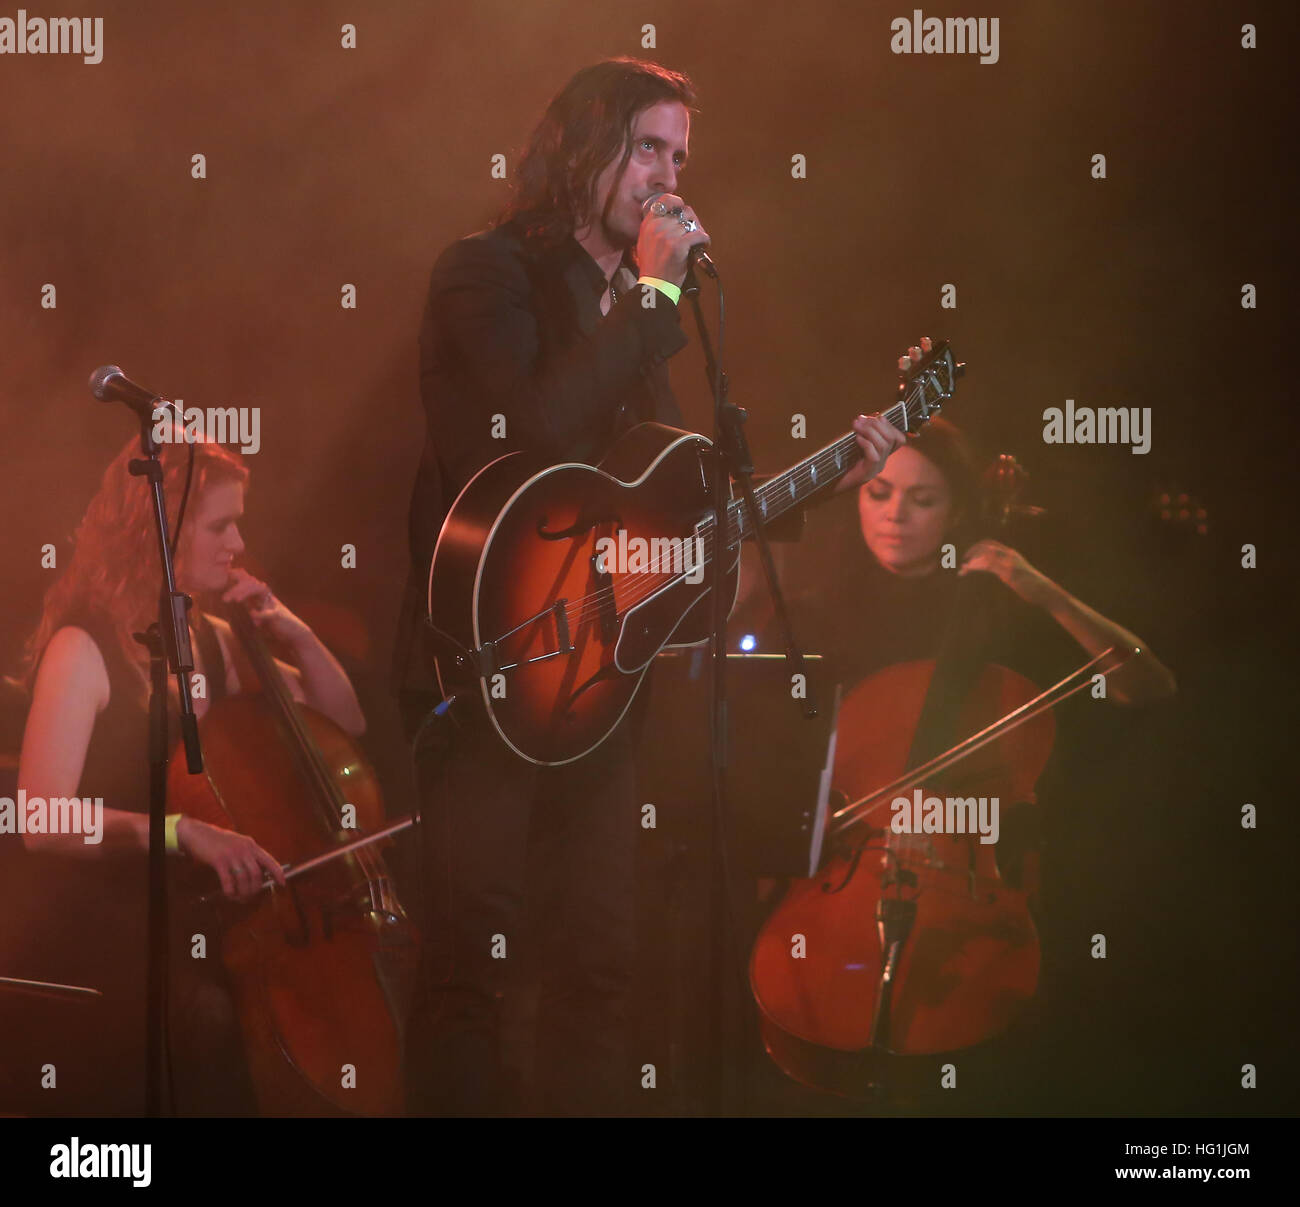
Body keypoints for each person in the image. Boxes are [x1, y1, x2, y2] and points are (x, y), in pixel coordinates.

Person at [395, 56, 906, 1116]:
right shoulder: (481, 274)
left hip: (598, 683)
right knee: (471, 969)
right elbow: (526, 435)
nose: (667, 176)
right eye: (646, 149)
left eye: (679, 154)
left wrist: (826, 475)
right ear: (583, 148)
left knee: (601, 960)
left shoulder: (638, 307)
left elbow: (660, 499)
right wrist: (656, 296)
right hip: (488, 666)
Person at [752, 408, 1177, 1110]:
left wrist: (1038, 586)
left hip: (970, 893)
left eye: (924, 499)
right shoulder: (816, 612)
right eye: (878, 494)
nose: (895, 516)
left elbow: (1148, 682)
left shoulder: (998, 611)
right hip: (840, 872)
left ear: (958, 511)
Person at [4, 430, 366, 1116]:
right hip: (113, 927)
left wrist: (293, 631)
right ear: (161, 532)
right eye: (222, 524)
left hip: (205, 923)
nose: (237, 544)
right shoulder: (81, 650)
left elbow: (343, 719)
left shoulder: (210, 639)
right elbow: (40, 819)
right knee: (209, 1020)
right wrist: (181, 831)